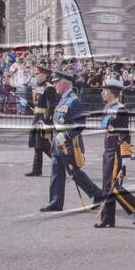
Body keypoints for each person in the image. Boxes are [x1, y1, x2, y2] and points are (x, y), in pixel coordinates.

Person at [40, 70, 103, 212]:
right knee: (56, 171)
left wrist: (67, 136)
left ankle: (98, 194)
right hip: (57, 140)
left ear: (64, 83)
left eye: (56, 82)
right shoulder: (63, 98)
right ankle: (55, 202)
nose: (54, 85)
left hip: (67, 143)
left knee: (74, 172)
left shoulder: (74, 101)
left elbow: (81, 124)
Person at [95, 77, 135, 228]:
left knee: (113, 185)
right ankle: (108, 218)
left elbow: (125, 133)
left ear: (113, 92)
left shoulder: (120, 109)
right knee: (106, 185)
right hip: (107, 146)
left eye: (105, 90)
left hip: (116, 148)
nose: (103, 93)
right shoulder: (106, 107)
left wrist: (125, 155)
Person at [25, 62, 55, 177]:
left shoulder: (49, 87)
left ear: (44, 75)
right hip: (37, 118)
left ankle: (61, 163)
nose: (36, 75)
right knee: (38, 146)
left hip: (43, 120)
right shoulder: (38, 87)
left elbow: (51, 106)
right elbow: (36, 103)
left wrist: (47, 121)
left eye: (38, 74)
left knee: (44, 145)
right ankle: (36, 170)